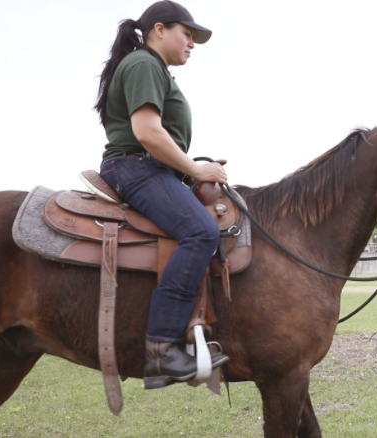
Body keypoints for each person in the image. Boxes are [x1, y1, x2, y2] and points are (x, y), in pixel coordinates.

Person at [95, 0, 229, 389]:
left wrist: (187, 169)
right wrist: (195, 169)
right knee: (201, 231)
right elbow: (147, 132)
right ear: (159, 30)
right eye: (186, 34)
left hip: (149, 168)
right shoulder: (144, 63)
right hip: (137, 167)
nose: (191, 43)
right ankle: (162, 349)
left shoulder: (153, 68)